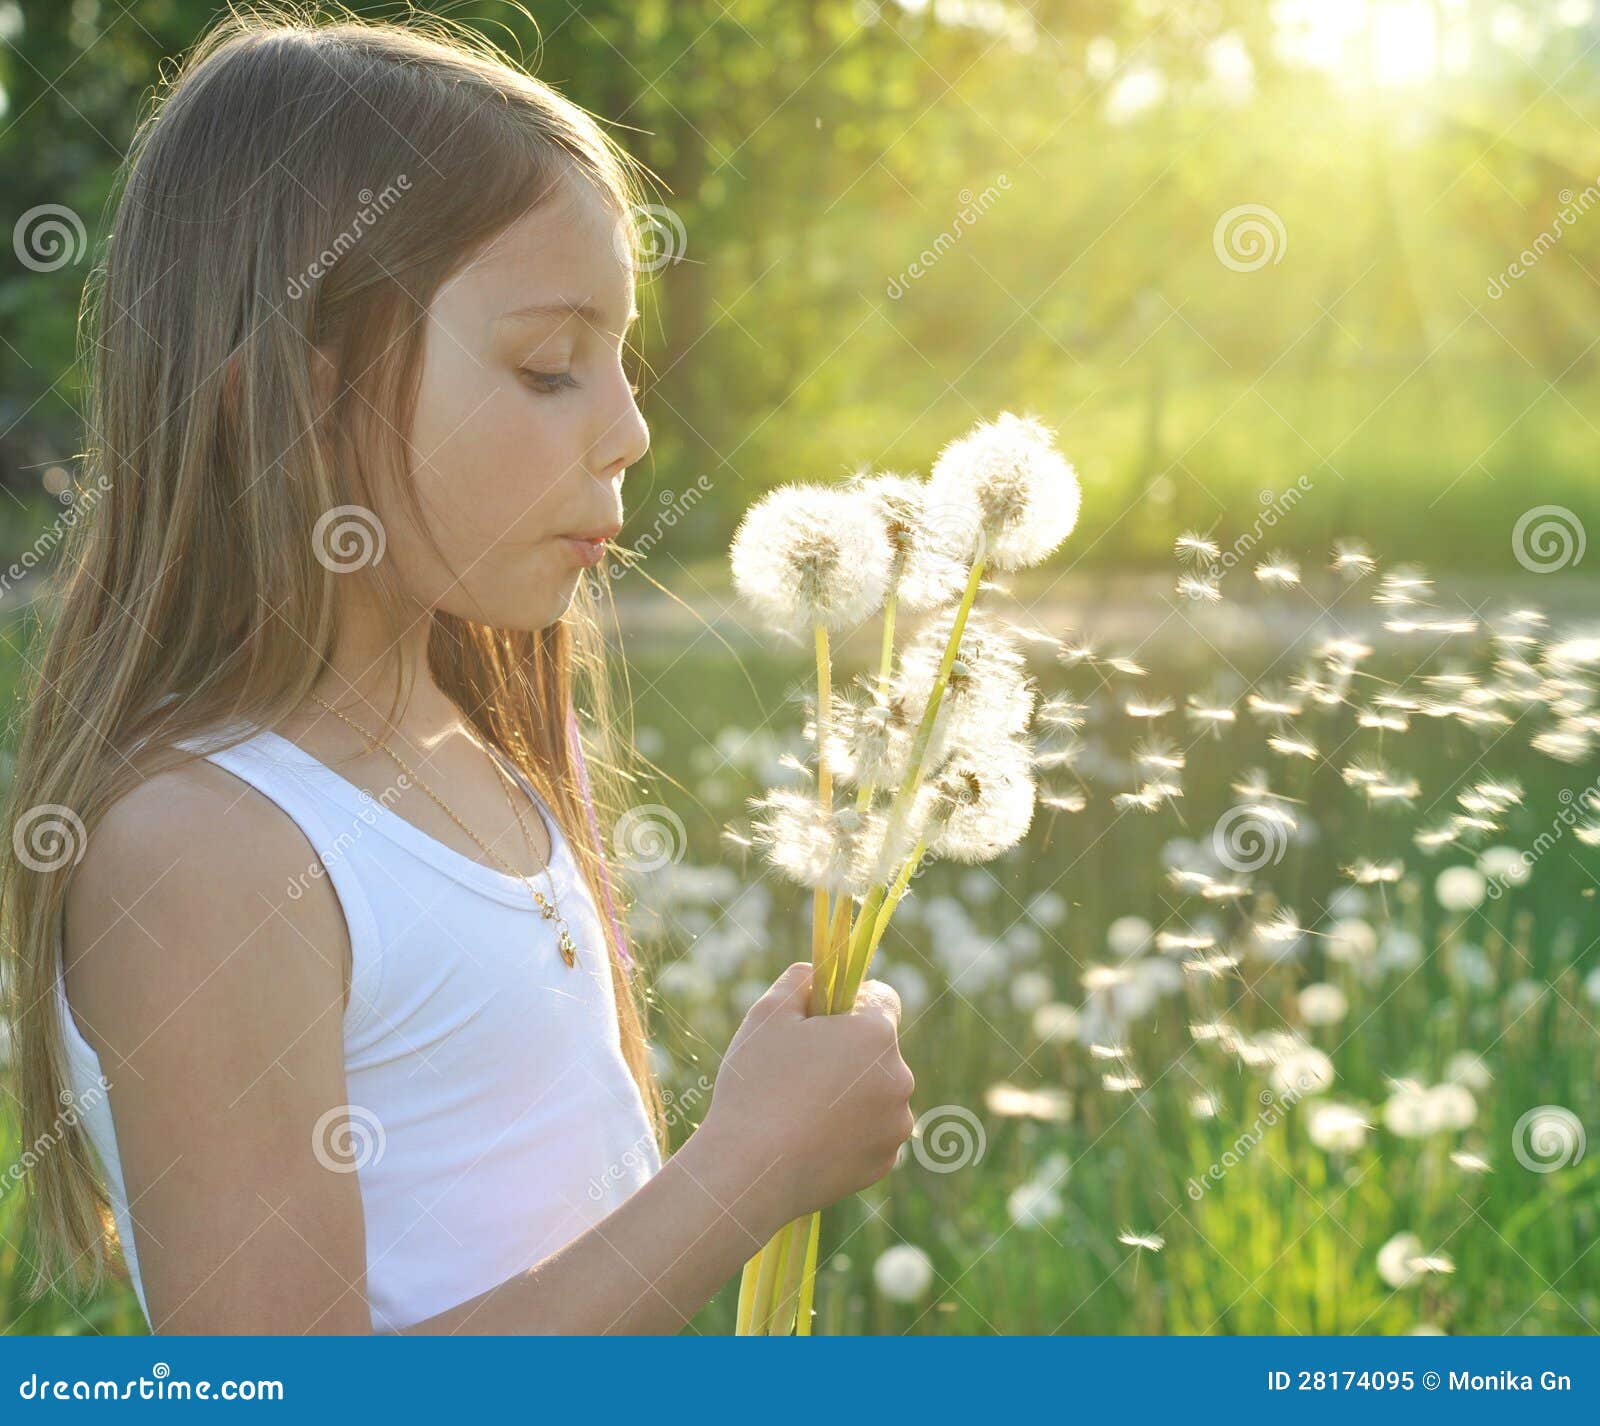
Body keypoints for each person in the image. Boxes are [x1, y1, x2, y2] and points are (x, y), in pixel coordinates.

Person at [0, 8, 913, 1335]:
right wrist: (745, 1170)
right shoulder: (206, 853)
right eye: (551, 366)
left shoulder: (469, 749)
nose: (632, 425)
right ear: (299, 407)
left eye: (621, 357)